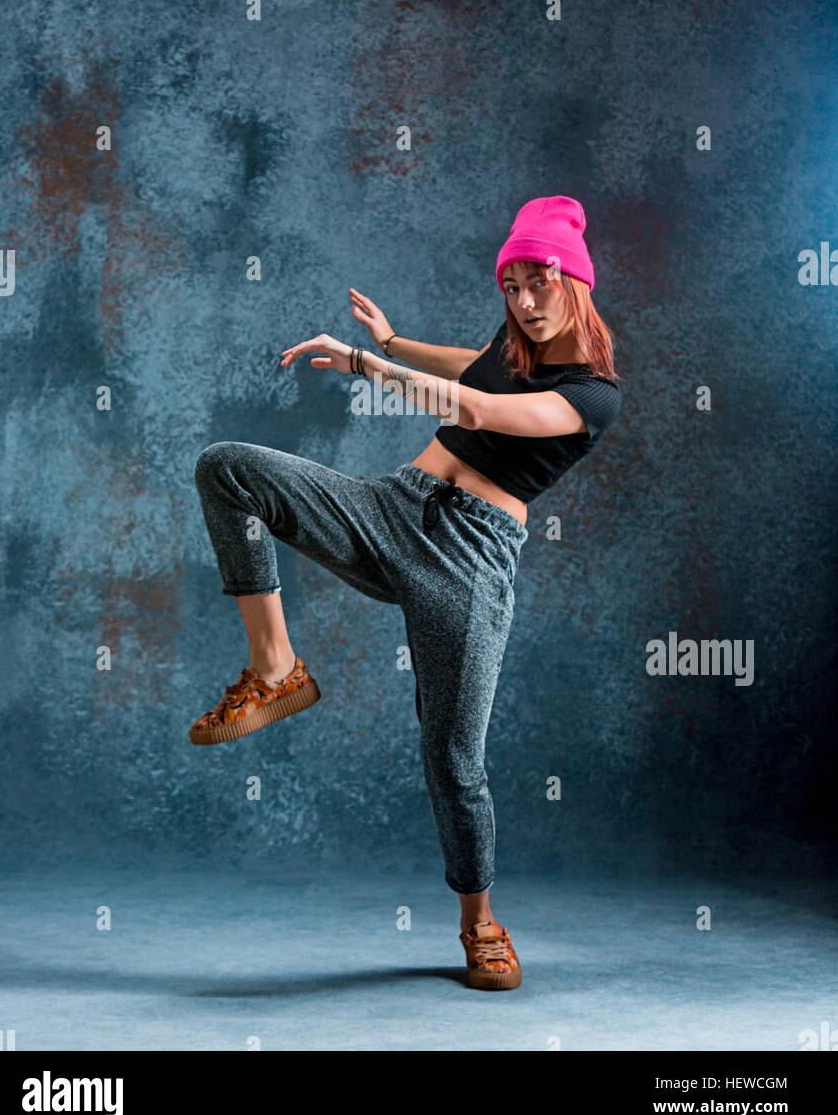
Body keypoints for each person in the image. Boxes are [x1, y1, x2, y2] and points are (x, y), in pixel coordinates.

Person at [191, 195, 622, 991]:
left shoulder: (594, 396)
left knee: (452, 757)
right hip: (393, 506)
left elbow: (482, 406)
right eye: (512, 286)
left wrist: (366, 365)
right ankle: (275, 665)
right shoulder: (513, 342)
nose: (524, 303)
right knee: (228, 467)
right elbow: (475, 367)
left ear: (577, 282)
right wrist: (393, 341)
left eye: (540, 284)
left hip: (470, 561)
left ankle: (479, 923)